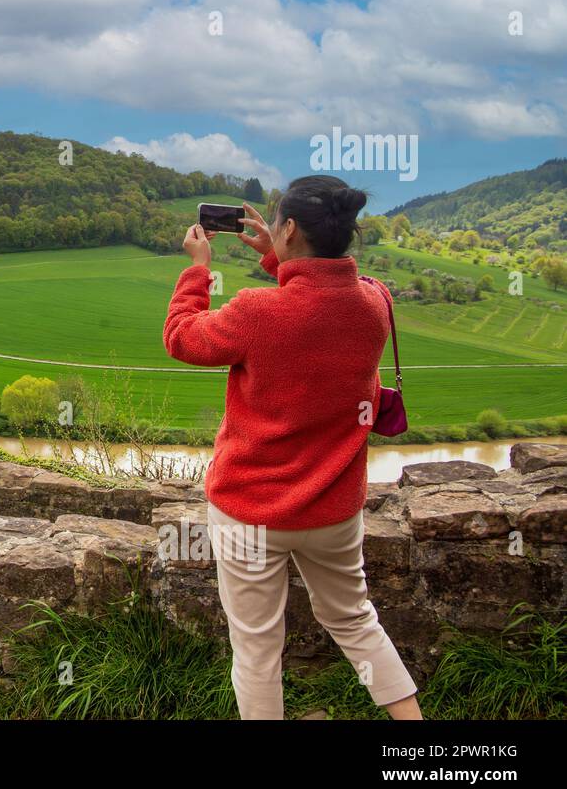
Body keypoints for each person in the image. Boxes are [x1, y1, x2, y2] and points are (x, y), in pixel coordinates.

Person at [163, 175, 422, 720]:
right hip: (332, 508)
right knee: (355, 620)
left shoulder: (257, 312)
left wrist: (196, 269)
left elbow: (182, 338)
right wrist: (280, 258)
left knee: (256, 647)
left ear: (290, 228)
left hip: (250, 510)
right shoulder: (374, 302)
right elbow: (320, 306)